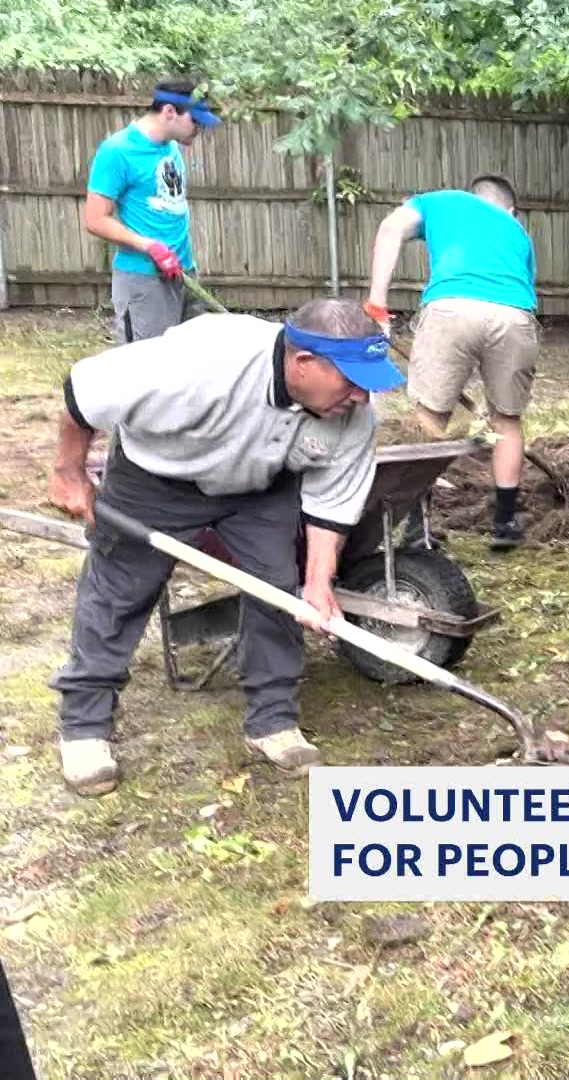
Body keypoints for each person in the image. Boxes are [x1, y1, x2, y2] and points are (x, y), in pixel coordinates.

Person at [45, 299, 402, 796]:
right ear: (303, 364)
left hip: (258, 489)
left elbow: (331, 503)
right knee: (120, 590)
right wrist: (68, 471)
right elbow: (82, 392)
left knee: (278, 590)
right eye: (351, 381)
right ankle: (84, 727)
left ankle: (273, 720)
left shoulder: (351, 416)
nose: (362, 397)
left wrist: (318, 584)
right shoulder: (203, 362)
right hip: (156, 478)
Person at [366, 174, 539, 551]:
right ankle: (505, 521)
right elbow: (523, 289)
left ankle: (418, 527)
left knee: (430, 417)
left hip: (452, 308)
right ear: (511, 210)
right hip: (513, 315)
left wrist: (377, 304)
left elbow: (390, 228)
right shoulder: (517, 232)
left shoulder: (437, 201)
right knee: (507, 419)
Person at [82, 76, 220, 344]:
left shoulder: (170, 146)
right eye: (196, 121)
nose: (199, 129)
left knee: (190, 364)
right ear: (169, 112)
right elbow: (95, 220)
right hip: (144, 280)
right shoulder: (117, 151)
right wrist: (150, 247)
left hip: (182, 271)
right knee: (144, 371)